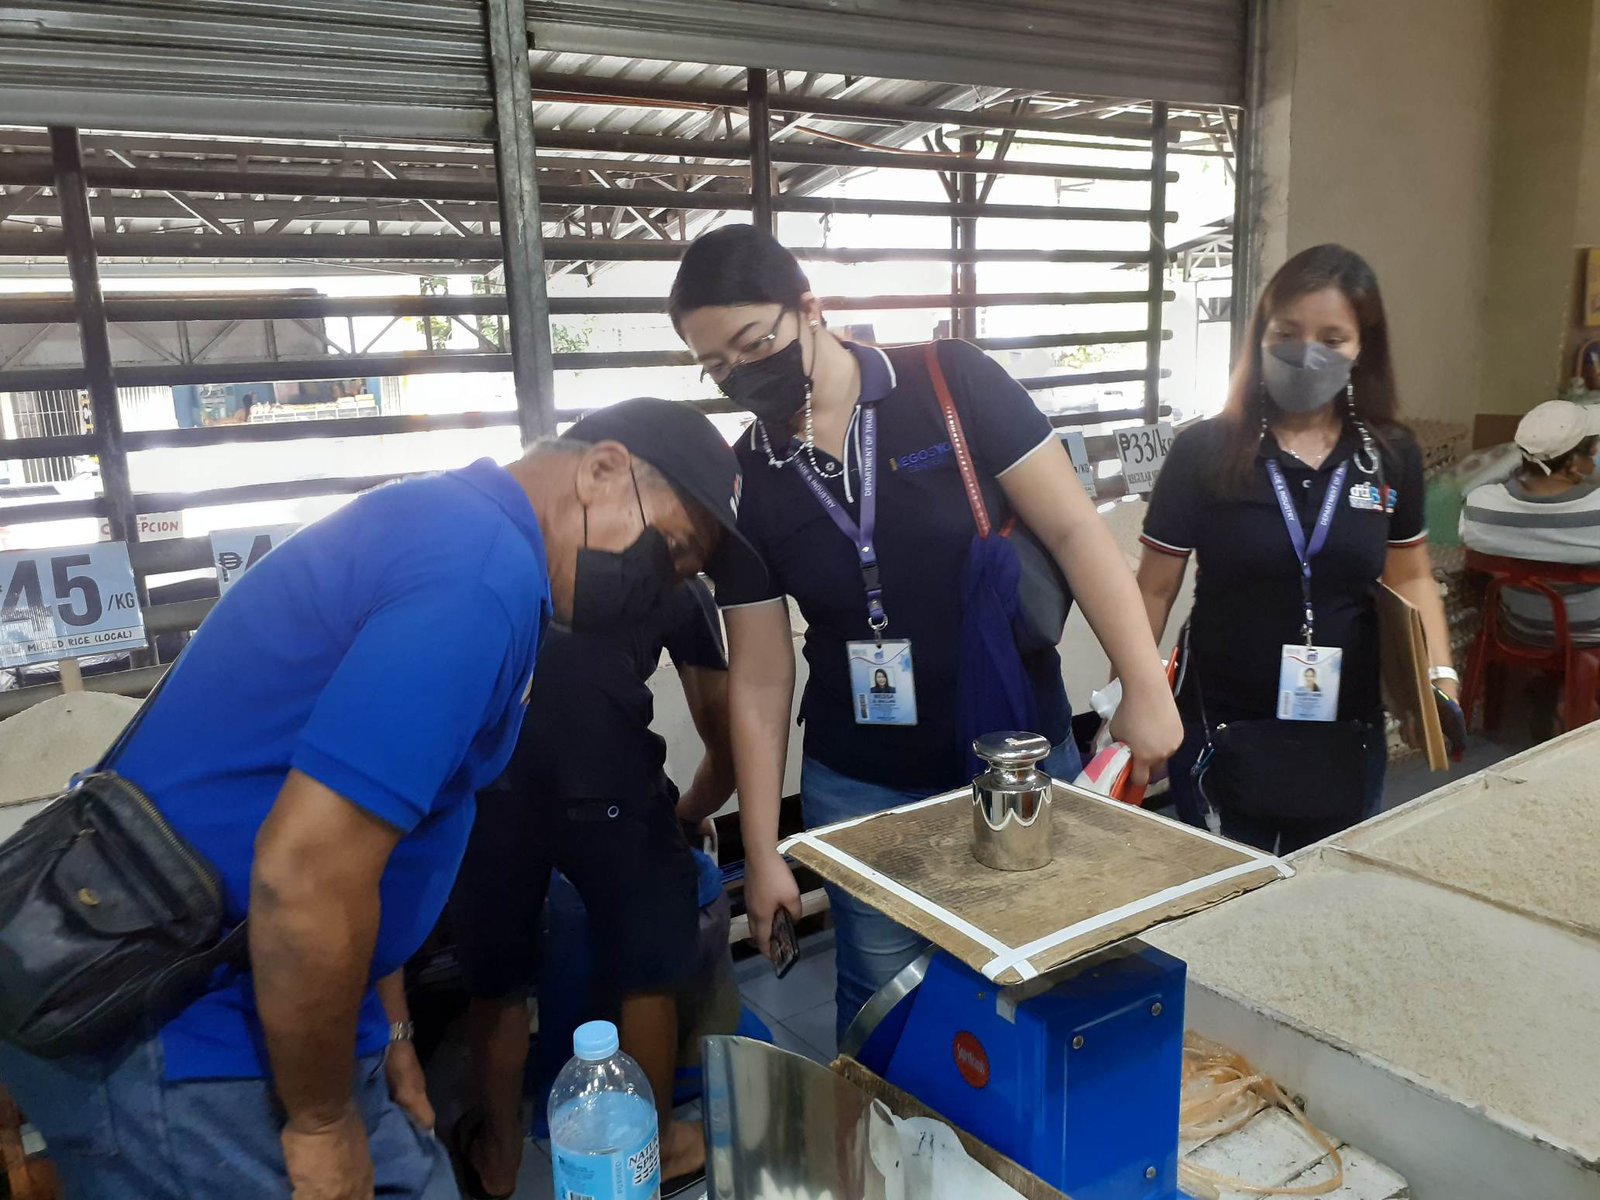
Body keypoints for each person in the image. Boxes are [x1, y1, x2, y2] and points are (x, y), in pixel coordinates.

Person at [0, 397, 755, 1200]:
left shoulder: (457, 530)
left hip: (244, 1003)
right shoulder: (478, 576)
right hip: (184, 1034)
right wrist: (322, 1123)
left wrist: (385, 1035)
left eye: (682, 573)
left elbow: (376, 847)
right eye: (669, 549)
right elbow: (307, 875)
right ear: (602, 469)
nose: (662, 584)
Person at [669, 225, 1182, 1039]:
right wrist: (764, 848)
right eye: (717, 367)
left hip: (1013, 759)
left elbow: (1078, 533)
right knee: (888, 1015)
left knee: (1039, 987)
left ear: (810, 308)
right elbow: (763, 676)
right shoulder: (752, 480)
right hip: (862, 784)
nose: (743, 375)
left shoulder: (948, 383)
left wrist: (1146, 686)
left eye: (753, 343)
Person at [1135, 244, 1457, 854]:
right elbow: (1153, 588)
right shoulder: (1204, 451)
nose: (1307, 352)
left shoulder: (1389, 455)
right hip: (1223, 723)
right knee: (1221, 899)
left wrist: (1436, 679)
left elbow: (1411, 577)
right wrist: (1130, 696)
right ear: (1260, 335)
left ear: (1363, 346)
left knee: (1327, 893)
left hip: (1345, 732)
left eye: (1332, 338)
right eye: (1288, 332)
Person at [449, 576, 735, 1198]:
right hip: (611, 780)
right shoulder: (677, 577)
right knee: (648, 973)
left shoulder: (511, 555)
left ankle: (498, 1155)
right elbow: (728, 739)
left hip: (493, 781)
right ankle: (650, 1149)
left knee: (495, 980)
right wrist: (686, 814)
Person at [1460, 399, 1600, 645]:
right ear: (1573, 464)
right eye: (1592, 451)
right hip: (1593, 634)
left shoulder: (1479, 506)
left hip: (1520, 630)